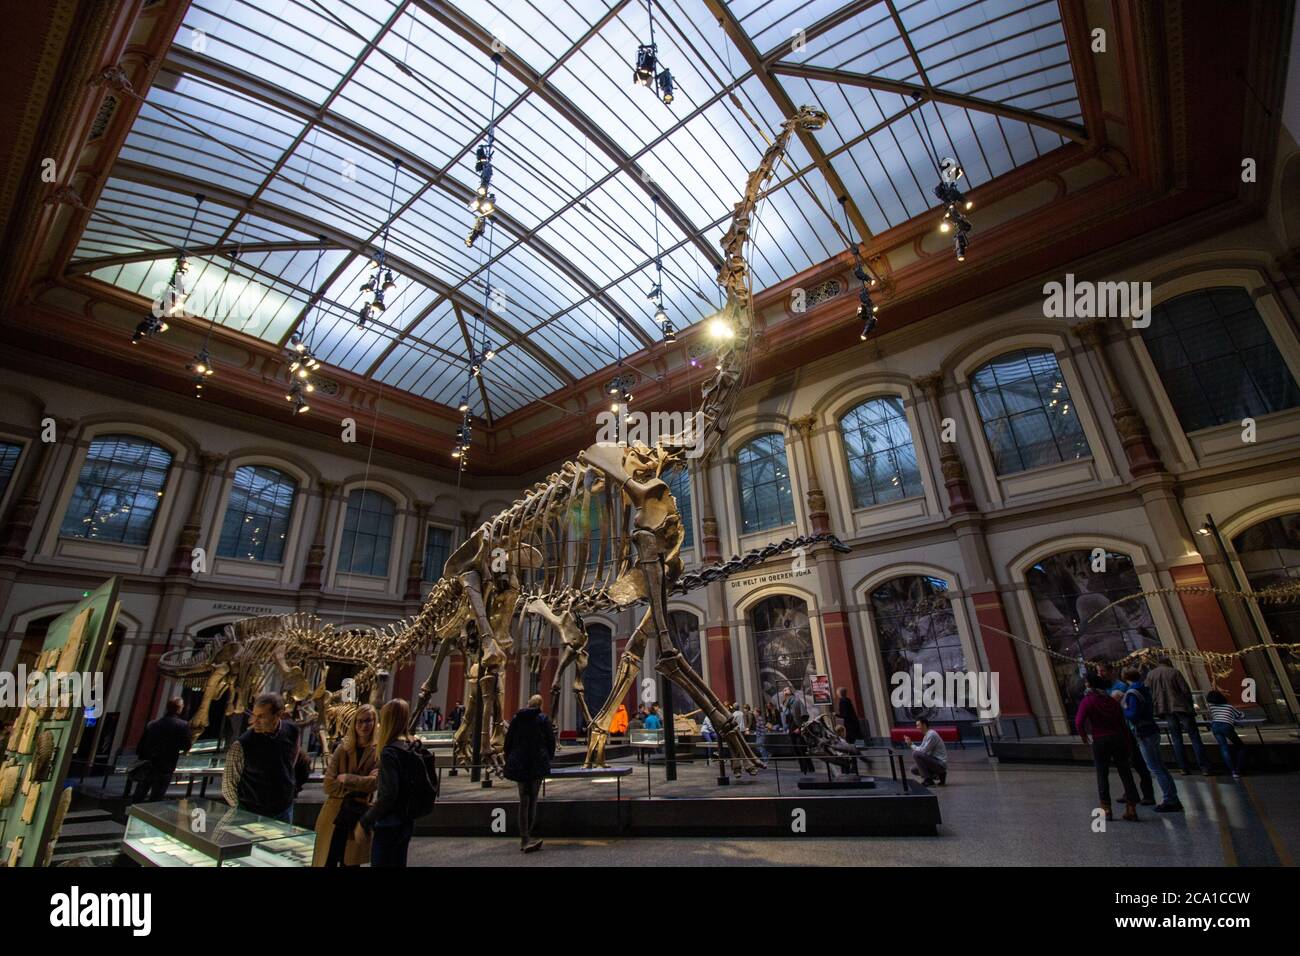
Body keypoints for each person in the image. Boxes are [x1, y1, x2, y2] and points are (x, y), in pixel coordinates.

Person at [361, 699, 430, 867]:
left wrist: (366, 820)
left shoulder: (389, 752)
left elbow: (388, 795)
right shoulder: (412, 746)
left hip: (388, 822)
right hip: (406, 819)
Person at [312, 704, 378, 867]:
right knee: (327, 859)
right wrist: (360, 785)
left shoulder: (378, 752)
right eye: (360, 721)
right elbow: (328, 785)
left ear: (374, 722)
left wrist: (347, 778)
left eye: (368, 721)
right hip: (334, 815)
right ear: (354, 723)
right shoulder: (342, 749)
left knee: (350, 861)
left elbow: (374, 784)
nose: (363, 726)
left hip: (358, 815)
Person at [222, 692, 300, 822]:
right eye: (254, 715)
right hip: (251, 812)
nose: (255, 721)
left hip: (283, 809)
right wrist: (242, 811)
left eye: (261, 717)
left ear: (278, 715)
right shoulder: (242, 744)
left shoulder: (292, 731)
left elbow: (291, 760)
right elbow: (228, 784)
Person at [1076, 672, 1141, 821]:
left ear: (1089, 685)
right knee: (1125, 772)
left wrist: (1084, 736)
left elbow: (1079, 721)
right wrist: (1127, 742)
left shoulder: (1088, 701)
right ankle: (1131, 807)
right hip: (1118, 739)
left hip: (1100, 740)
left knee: (1102, 773)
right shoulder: (1111, 701)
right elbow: (1122, 724)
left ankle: (1106, 808)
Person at [1121, 668, 1182, 812]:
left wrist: (1123, 708)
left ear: (1125, 678)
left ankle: (1170, 799)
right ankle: (1172, 797)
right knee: (1160, 766)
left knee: (1155, 767)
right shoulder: (1144, 689)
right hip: (1151, 729)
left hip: (1144, 732)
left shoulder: (1132, 692)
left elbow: (1133, 714)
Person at [503, 694, 556, 853]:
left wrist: (511, 757)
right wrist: (547, 757)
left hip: (520, 763)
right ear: (540, 705)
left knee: (523, 801)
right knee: (532, 801)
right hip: (537, 763)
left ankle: (524, 837)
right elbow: (550, 742)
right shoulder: (543, 719)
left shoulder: (517, 718)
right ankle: (527, 837)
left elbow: (508, 743)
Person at [1098, 662, 1155, 805]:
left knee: (1139, 763)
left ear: (1111, 671)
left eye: (1102, 670)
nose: (1100, 674)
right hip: (1119, 730)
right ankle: (1130, 792)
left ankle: (1147, 794)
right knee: (1125, 763)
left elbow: (1129, 710)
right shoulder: (1107, 689)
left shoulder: (1122, 688)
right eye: (1099, 671)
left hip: (1129, 729)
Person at [1145, 657, 1212, 775]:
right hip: (1181, 708)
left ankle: (1183, 768)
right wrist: (1190, 706)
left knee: (1176, 739)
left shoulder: (1151, 675)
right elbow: (1185, 690)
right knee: (1194, 737)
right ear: (1169, 663)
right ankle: (1204, 767)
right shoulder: (1174, 672)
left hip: (1166, 709)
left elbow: (1148, 691)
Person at [131, 697, 191, 802]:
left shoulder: (152, 724)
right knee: (157, 797)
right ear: (179, 709)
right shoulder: (182, 725)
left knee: (139, 794)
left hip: (148, 765)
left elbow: (140, 746)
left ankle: (130, 816)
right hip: (166, 766)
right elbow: (186, 745)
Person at [1206, 690, 1246, 779]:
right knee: (1241, 747)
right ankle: (1238, 769)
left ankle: (1232, 771)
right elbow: (1240, 715)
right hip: (1226, 726)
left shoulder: (1211, 707)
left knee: (1224, 748)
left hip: (1215, 726)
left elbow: (1210, 717)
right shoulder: (1229, 707)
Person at [902, 716, 947, 786]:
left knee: (916, 754)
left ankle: (928, 780)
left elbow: (923, 751)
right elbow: (921, 748)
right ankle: (939, 774)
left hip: (940, 763)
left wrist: (911, 745)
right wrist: (911, 744)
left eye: (918, 725)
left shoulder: (931, 734)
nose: (917, 728)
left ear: (924, 725)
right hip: (935, 762)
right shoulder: (927, 735)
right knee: (914, 769)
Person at [780, 687, 815, 774]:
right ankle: (803, 768)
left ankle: (810, 768)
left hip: (798, 729)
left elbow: (805, 716)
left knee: (802, 749)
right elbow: (786, 718)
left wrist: (800, 728)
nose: (785, 691)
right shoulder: (785, 705)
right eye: (784, 690)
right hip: (791, 729)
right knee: (796, 750)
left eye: (786, 689)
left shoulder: (796, 701)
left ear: (791, 691)